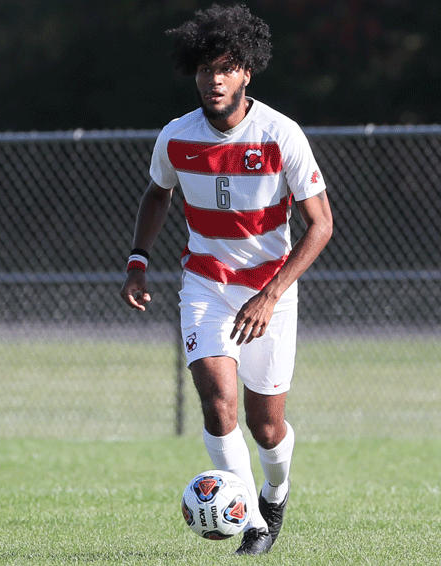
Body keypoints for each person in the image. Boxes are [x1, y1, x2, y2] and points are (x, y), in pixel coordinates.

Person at [119, 3, 333, 556]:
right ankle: (253, 525)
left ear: (247, 72)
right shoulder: (175, 136)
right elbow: (157, 193)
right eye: (205, 69)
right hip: (205, 284)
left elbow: (321, 225)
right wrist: (139, 259)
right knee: (218, 403)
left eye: (225, 67)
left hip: (270, 292)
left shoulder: (281, 134)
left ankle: (276, 493)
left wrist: (271, 294)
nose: (213, 80)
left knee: (267, 428)